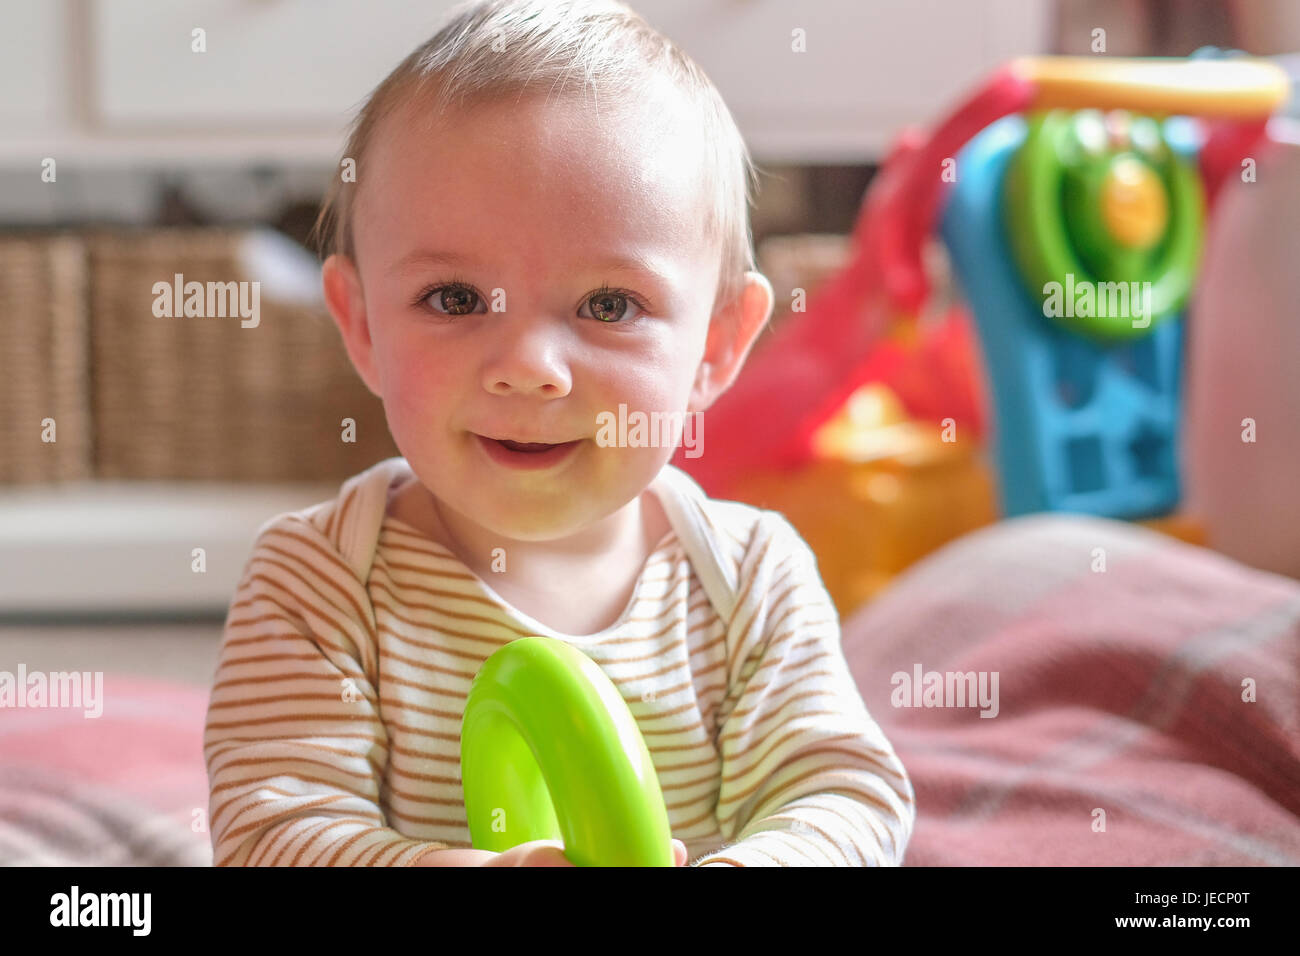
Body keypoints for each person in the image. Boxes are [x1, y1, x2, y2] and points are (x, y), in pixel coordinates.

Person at [204, 0, 914, 867]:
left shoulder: (751, 582)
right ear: (360, 325)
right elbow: (271, 833)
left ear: (717, 346)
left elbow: (843, 797)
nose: (530, 365)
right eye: (456, 299)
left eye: (609, 306)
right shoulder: (319, 584)